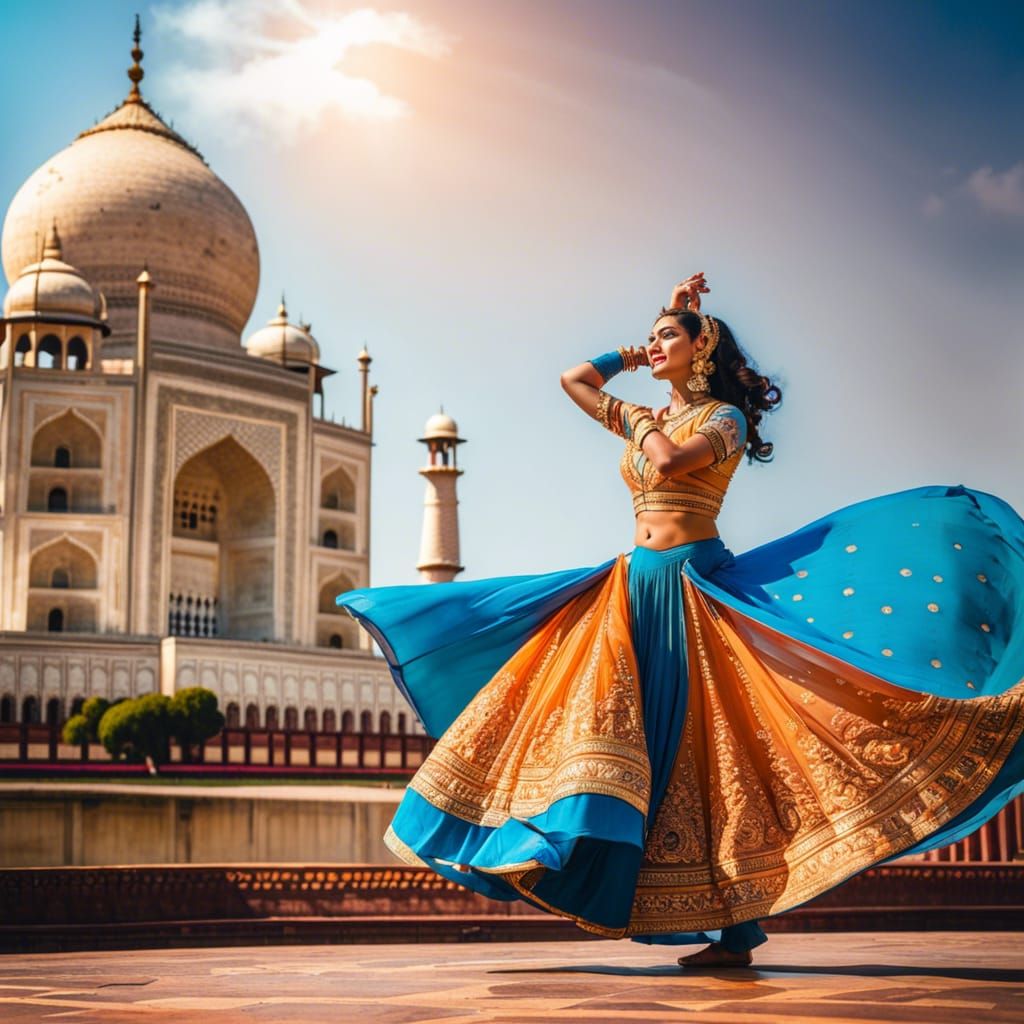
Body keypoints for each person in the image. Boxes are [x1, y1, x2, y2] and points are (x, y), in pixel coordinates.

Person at [337, 272, 1024, 968]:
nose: (657, 343)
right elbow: (573, 379)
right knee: (615, 736)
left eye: (670, 337)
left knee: (714, 752)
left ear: (703, 349)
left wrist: (641, 412)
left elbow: (668, 461)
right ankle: (624, 880)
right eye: (655, 335)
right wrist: (634, 356)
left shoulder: (722, 419)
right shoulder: (653, 405)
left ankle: (736, 926)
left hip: (693, 589)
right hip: (633, 586)